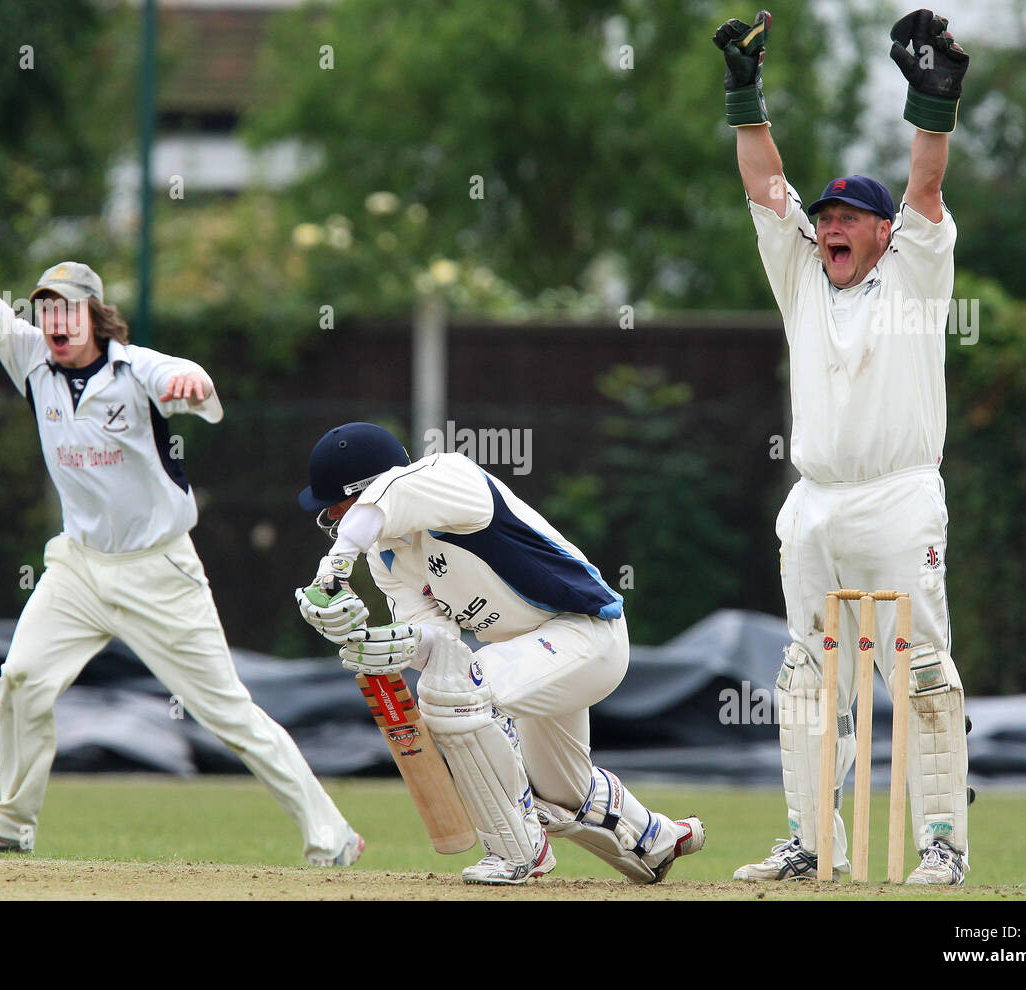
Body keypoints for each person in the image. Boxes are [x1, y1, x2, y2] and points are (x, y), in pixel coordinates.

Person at [0, 156, 361, 867]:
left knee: (226, 713)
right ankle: (12, 826)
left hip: (159, 571)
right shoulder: (31, 362)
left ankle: (332, 834)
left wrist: (189, 378)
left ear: (92, 315)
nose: (54, 322)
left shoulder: (133, 366)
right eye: (45, 309)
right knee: (20, 679)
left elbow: (193, 380)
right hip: (79, 567)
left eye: (66, 309)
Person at [713, 10, 972, 884]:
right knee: (805, 678)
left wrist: (932, 101)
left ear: (881, 233)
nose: (831, 225)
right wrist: (744, 94)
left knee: (922, 673)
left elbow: (926, 191)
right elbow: (764, 183)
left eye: (850, 216)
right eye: (825, 215)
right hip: (815, 501)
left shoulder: (915, 269)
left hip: (899, 497)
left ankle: (941, 844)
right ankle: (812, 844)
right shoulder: (800, 277)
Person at [292, 422, 704, 885]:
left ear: (364, 489)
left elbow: (384, 496)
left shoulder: (450, 478)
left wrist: (331, 572)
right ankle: (657, 838)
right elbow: (439, 645)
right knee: (561, 789)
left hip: (588, 634)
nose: (331, 515)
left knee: (452, 693)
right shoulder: (385, 555)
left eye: (337, 504)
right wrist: (390, 645)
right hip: (523, 654)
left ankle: (517, 850)